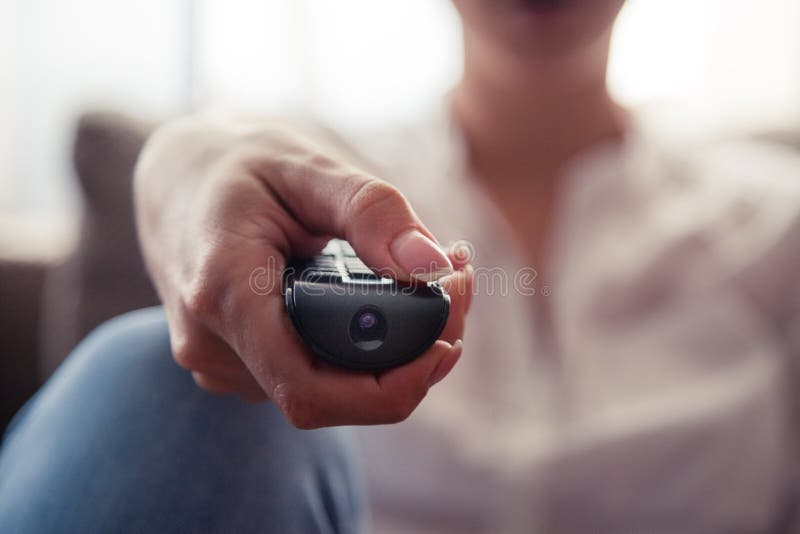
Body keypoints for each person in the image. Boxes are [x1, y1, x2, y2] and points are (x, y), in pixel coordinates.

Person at [2, 0, 799, 532]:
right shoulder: (325, 177)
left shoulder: (772, 218)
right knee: (153, 376)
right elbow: (204, 156)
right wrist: (182, 172)